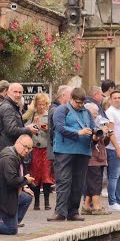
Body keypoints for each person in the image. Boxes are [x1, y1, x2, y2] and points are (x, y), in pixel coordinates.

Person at [51, 87, 92, 221]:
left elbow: (92, 128)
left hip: (83, 151)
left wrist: (97, 134)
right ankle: (60, 212)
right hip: (64, 151)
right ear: (71, 99)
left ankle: (73, 212)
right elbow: (60, 127)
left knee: (78, 183)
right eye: (78, 103)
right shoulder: (61, 109)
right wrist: (78, 132)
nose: (80, 105)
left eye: (82, 103)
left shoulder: (86, 112)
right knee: (63, 181)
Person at [22, 92, 55, 211]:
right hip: (34, 148)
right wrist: (32, 126)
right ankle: (36, 202)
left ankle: (46, 201)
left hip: (46, 149)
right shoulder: (32, 115)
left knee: (46, 175)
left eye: (43, 104)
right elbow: (23, 128)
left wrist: (46, 129)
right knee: (35, 175)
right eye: (39, 104)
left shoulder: (49, 115)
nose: (41, 107)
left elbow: (53, 131)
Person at [48, 85, 73, 219]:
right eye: (71, 95)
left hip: (65, 149)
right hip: (60, 150)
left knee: (67, 181)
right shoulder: (56, 110)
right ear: (63, 96)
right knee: (62, 181)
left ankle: (66, 210)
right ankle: (60, 210)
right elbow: (56, 130)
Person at [84, 102, 111, 215]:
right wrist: (97, 135)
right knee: (95, 184)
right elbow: (91, 142)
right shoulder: (86, 125)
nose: (95, 116)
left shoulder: (98, 125)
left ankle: (86, 207)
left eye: (96, 113)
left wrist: (107, 135)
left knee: (93, 184)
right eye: (93, 113)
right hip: (92, 160)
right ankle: (96, 207)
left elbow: (104, 143)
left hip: (100, 158)